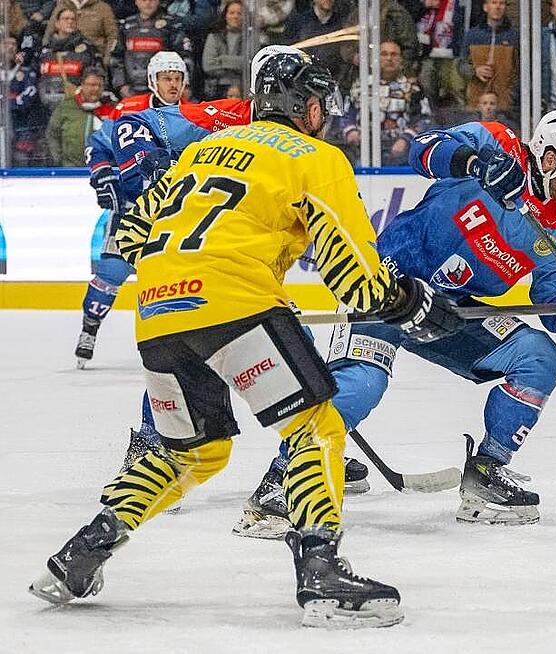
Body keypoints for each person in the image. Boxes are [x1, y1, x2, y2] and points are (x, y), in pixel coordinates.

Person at [28, 49, 465, 629]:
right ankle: (321, 571)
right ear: (303, 106)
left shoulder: (199, 151)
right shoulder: (316, 157)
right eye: (318, 105)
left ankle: (79, 555)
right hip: (237, 301)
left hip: (158, 310)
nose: (322, 116)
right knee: (316, 426)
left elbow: (132, 235)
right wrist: (410, 303)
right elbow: (356, 281)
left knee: (195, 452)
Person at [239, 110, 556, 530]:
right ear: (549, 158)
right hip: (388, 283)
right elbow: (423, 150)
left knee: (538, 356)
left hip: (452, 309)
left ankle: (487, 471)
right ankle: (283, 480)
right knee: (363, 384)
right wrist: (474, 163)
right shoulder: (496, 142)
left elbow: (555, 294)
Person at [75, 51, 194, 368]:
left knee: (174, 281)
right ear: (153, 81)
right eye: (166, 78)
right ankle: (90, 326)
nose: (172, 84)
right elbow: (96, 146)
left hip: (174, 214)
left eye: (177, 78)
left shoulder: (193, 117)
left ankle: (173, 342)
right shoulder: (129, 110)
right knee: (111, 273)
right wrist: (104, 175)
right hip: (132, 209)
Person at [110, 0, 193, 98]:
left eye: (152, 0)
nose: (148, 3)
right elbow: (116, 57)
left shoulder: (172, 25)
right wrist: (121, 85)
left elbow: (185, 57)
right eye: (144, 0)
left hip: (164, 89)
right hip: (131, 90)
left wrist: (185, 84)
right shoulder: (126, 26)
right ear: (136, 1)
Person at [45, 66, 114, 166]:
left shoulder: (111, 108)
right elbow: (52, 135)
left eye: (100, 85)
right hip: (71, 171)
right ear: (82, 84)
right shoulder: (66, 107)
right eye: (92, 85)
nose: (96, 89)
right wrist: (59, 161)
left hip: (103, 170)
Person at [201, 0, 248, 98]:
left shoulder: (250, 38)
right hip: (216, 89)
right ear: (225, 15)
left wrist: (223, 59)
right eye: (231, 13)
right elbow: (208, 66)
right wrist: (237, 65)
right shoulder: (214, 36)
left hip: (244, 87)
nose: (235, 16)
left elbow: (249, 64)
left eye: (239, 13)